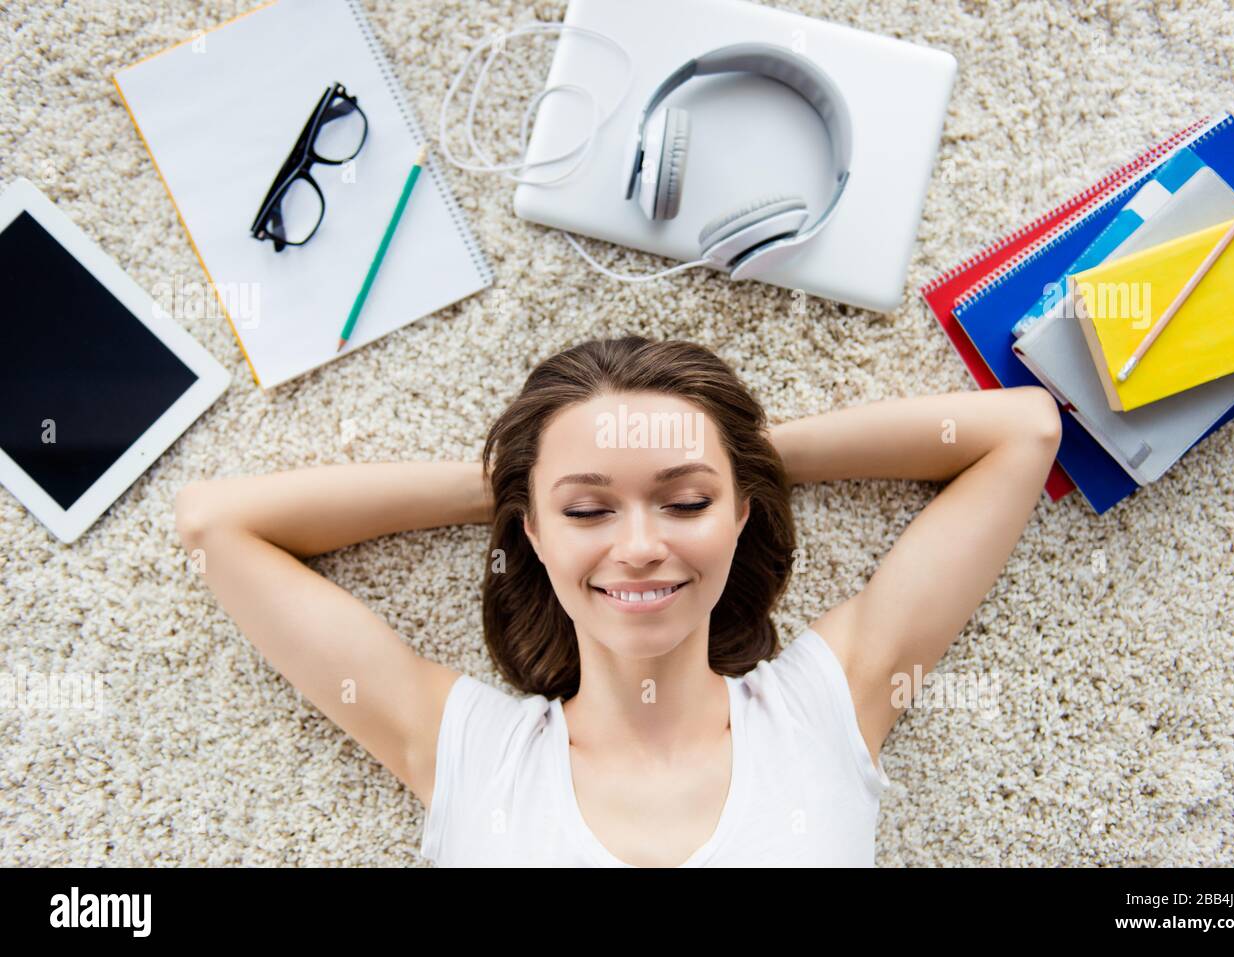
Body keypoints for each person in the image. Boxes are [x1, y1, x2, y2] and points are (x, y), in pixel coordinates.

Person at [175, 336, 1062, 866]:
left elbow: (1021, 431)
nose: (640, 544)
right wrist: (515, 483)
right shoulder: (473, 753)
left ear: (741, 515)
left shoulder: (828, 707)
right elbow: (219, 524)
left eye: (685, 501)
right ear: (530, 531)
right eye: (589, 509)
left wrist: (736, 453)